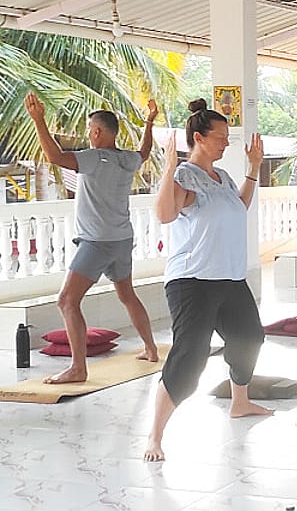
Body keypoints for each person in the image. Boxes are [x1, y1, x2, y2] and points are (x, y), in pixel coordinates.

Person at [144, 100, 273, 462]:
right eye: (220, 137)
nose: (226, 143)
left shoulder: (223, 177)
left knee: (249, 338)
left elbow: (238, 206)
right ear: (198, 138)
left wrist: (253, 169)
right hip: (193, 280)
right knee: (190, 356)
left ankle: (240, 403)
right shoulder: (185, 176)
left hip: (230, 278)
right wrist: (170, 169)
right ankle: (155, 435)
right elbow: (166, 214)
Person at [23, 93, 160, 384]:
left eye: (89, 129)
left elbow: (54, 157)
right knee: (126, 294)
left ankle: (78, 368)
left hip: (96, 242)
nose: (88, 134)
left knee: (66, 302)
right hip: (122, 239)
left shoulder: (92, 157)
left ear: (97, 132)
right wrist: (149, 122)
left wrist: (39, 120)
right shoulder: (127, 159)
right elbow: (145, 151)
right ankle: (150, 349)